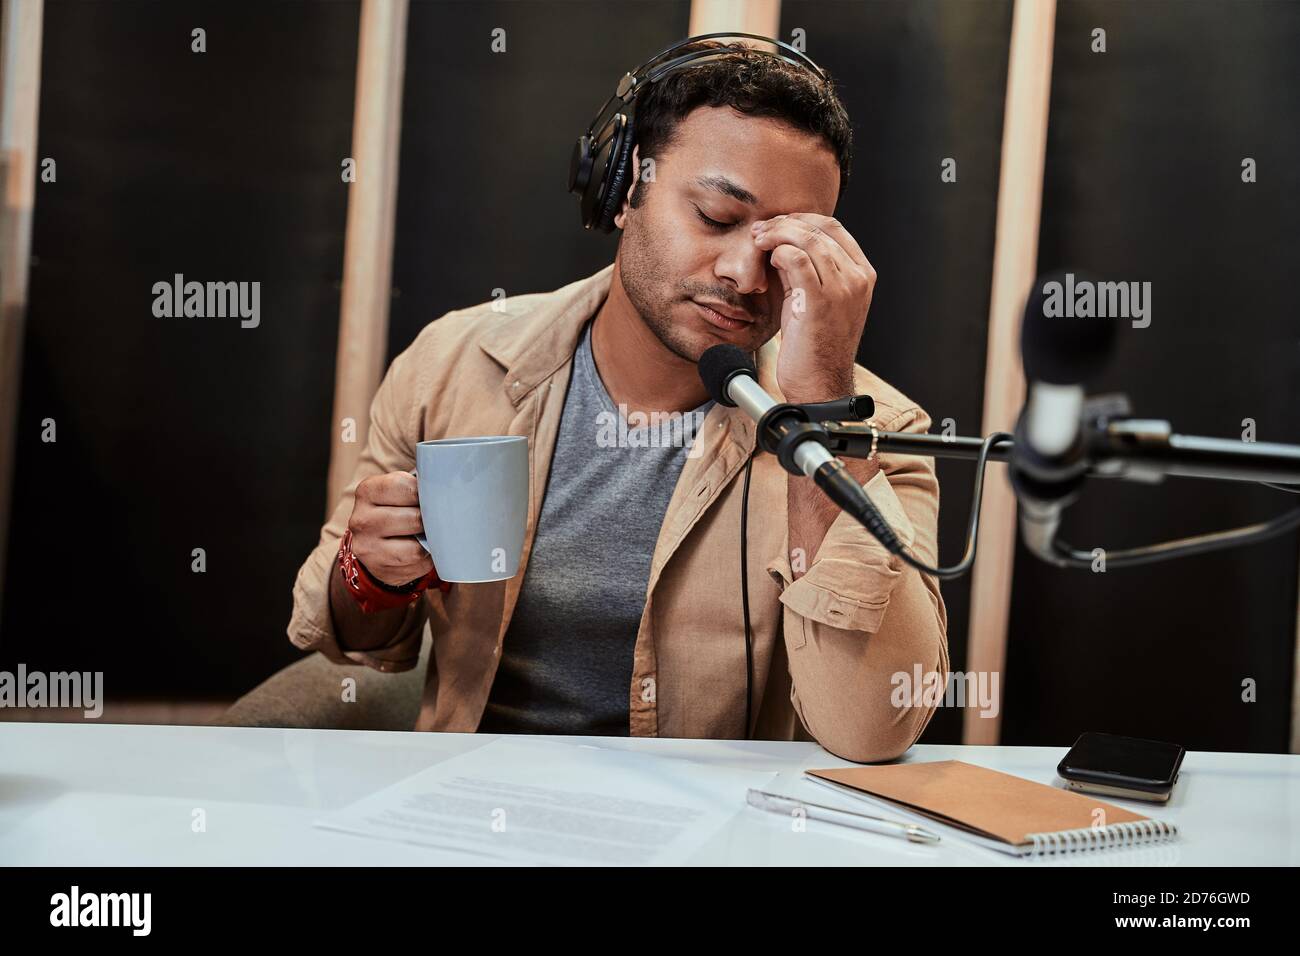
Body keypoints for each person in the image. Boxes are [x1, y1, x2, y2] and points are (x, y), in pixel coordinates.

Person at [288, 39, 948, 763]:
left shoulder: (877, 434)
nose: (745, 275)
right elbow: (346, 637)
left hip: (710, 820)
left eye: (786, 249)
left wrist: (821, 400)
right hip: (469, 803)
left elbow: (872, 729)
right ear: (623, 187)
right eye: (716, 217)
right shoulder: (453, 363)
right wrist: (372, 575)